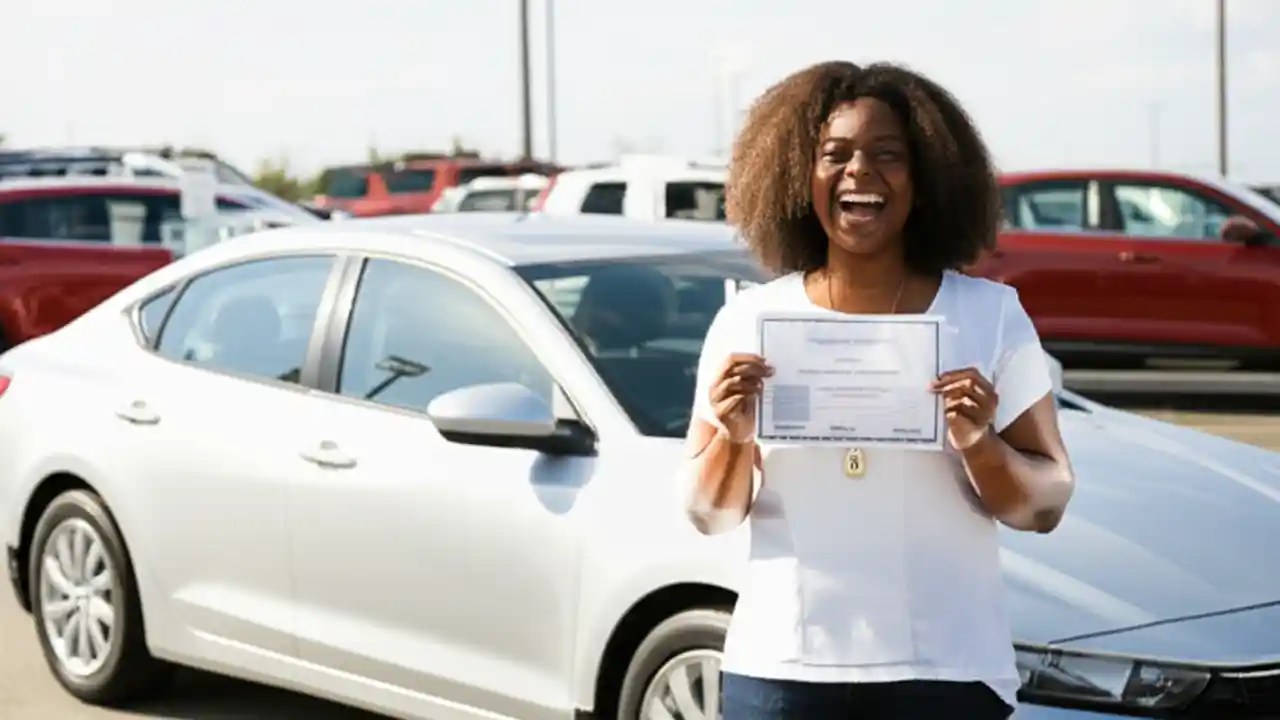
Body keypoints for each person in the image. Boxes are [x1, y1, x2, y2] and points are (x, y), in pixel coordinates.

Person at [678, 60, 1076, 719]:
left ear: (925, 180)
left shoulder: (990, 315)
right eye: (835, 154)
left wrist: (978, 442)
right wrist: (734, 437)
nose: (859, 171)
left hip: (946, 674)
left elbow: (1044, 507)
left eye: (887, 155)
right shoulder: (748, 322)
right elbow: (708, 515)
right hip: (783, 675)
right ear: (798, 176)